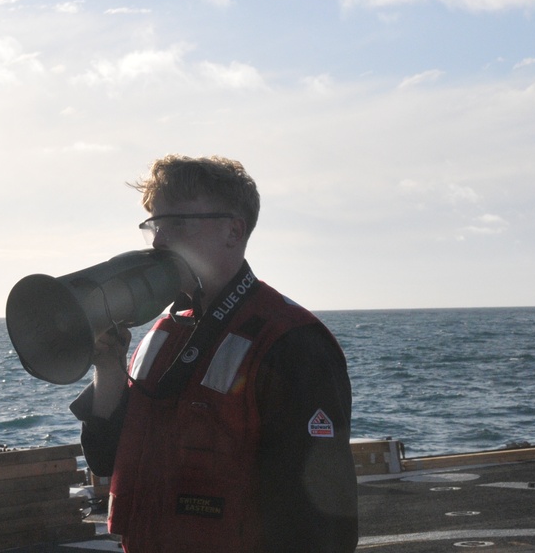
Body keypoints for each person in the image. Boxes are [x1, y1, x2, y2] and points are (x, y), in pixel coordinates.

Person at [70, 154, 358, 552]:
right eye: (154, 224)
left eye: (177, 223)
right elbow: (105, 460)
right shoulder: (162, 333)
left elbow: (322, 522)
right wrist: (109, 369)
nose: (159, 240)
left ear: (233, 231)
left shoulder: (292, 341)